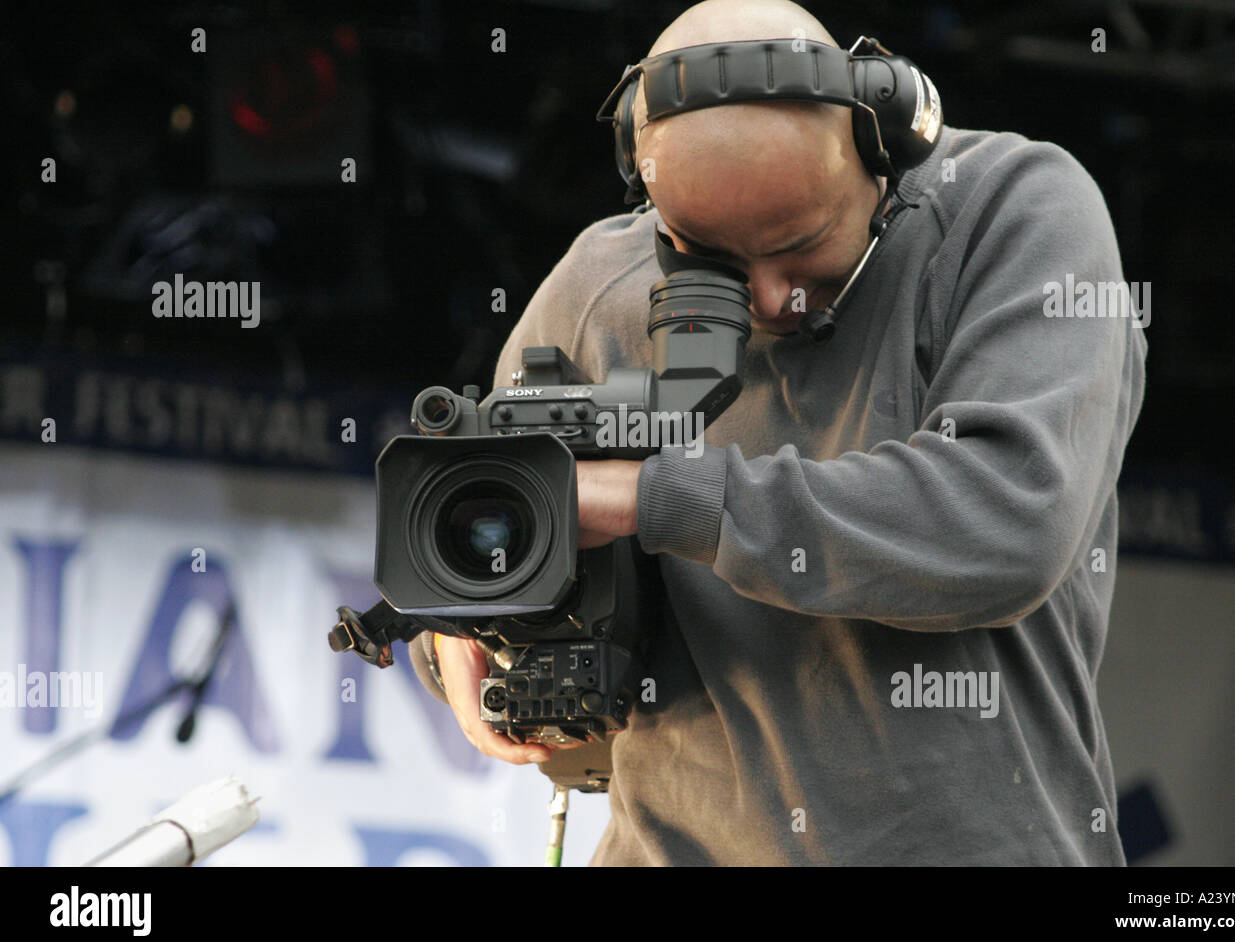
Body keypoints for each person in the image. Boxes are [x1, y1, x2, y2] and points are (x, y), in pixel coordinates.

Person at [413, 0, 1148, 865]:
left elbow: (1005, 522)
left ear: (883, 143)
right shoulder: (597, 286)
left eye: (803, 248)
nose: (768, 300)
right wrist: (460, 623)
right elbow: (483, 527)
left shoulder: (1013, 211)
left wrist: (651, 498)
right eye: (709, 259)